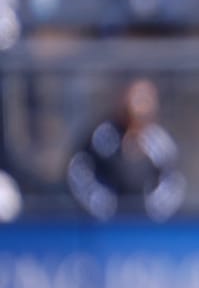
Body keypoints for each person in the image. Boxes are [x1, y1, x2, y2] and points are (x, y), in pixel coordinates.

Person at [66, 76, 185, 221]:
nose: (140, 105)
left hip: (148, 229)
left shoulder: (160, 143)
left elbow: (173, 181)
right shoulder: (102, 138)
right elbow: (79, 170)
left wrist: (150, 212)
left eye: (146, 99)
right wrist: (105, 208)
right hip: (102, 228)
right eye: (136, 98)